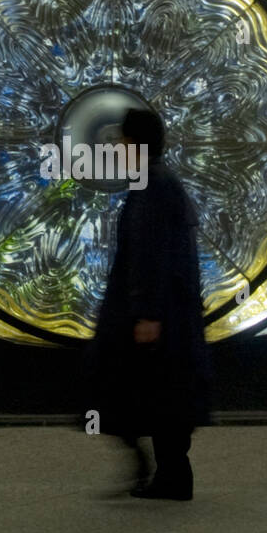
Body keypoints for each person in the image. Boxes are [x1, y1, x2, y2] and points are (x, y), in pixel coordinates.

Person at [89, 108, 210, 500]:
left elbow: (151, 255)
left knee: (139, 389)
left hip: (153, 314)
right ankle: (170, 474)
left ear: (133, 143)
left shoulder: (152, 188)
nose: (117, 147)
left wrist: (147, 313)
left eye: (121, 140)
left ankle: (168, 475)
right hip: (168, 313)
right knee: (163, 393)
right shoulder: (161, 182)